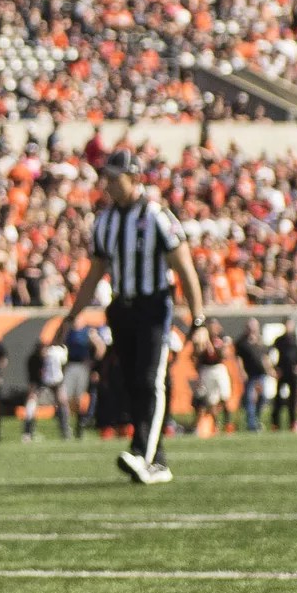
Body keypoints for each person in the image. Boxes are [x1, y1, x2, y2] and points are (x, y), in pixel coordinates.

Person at [44, 150, 204, 484]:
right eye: (107, 178)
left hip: (153, 306)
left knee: (150, 381)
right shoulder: (105, 221)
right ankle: (157, 461)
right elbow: (94, 274)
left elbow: (184, 267)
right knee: (133, 384)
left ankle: (142, 453)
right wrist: (71, 317)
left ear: (134, 178)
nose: (109, 185)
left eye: (116, 178)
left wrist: (198, 319)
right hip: (121, 308)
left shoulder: (157, 216)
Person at [235, 320, 270, 433]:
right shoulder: (242, 342)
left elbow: (264, 357)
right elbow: (239, 358)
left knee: (262, 397)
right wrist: (242, 371)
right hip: (250, 374)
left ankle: (257, 418)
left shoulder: (260, 341)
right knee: (250, 399)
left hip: (261, 374)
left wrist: (269, 369)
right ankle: (251, 424)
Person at [270, 318, 297, 433]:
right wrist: (275, 368)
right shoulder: (279, 340)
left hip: (293, 373)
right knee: (278, 398)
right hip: (282, 371)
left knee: (293, 399)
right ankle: (275, 423)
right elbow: (272, 354)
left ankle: (293, 422)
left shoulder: (296, 339)